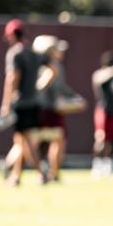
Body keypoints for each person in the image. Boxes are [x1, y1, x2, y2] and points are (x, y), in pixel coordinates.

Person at [0, 19, 49, 186]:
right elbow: (53, 68)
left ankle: (41, 172)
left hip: (22, 103)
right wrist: (41, 85)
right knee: (20, 141)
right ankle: (16, 176)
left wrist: (6, 104)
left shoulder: (15, 54)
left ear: (13, 35)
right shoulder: (33, 53)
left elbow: (12, 78)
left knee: (25, 141)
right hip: (34, 103)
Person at [33, 35, 81, 183]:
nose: (61, 52)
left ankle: (51, 173)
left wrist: (73, 96)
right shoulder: (46, 66)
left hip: (52, 109)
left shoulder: (56, 66)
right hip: (46, 110)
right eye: (57, 49)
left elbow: (60, 88)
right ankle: (45, 173)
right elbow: (41, 88)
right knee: (42, 142)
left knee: (51, 141)